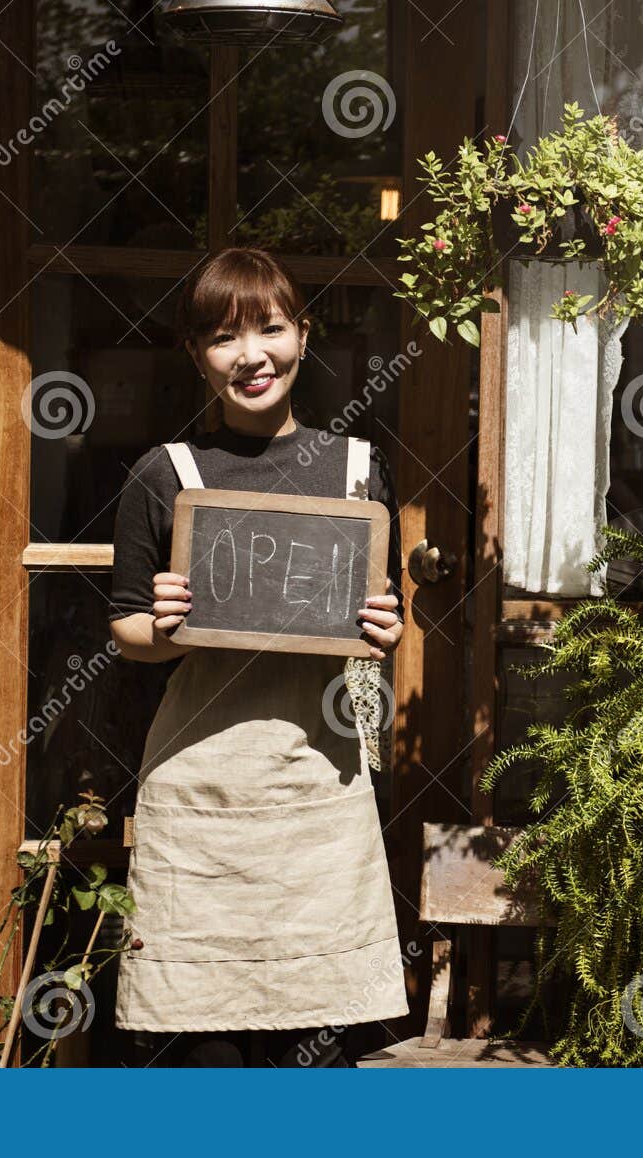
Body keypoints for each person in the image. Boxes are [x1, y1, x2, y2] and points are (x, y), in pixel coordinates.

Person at [106, 248, 408, 1067]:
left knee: (316, 1055)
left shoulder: (355, 472)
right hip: (201, 787)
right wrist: (162, 629)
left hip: (318, 789)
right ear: (196, 353)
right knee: (203, 1059)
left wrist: (384, 629)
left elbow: (388, 622)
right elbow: (126, 629)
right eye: (223, 337)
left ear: (302, 337)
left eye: (271, 329)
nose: (251, 356)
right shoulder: (163, 475)